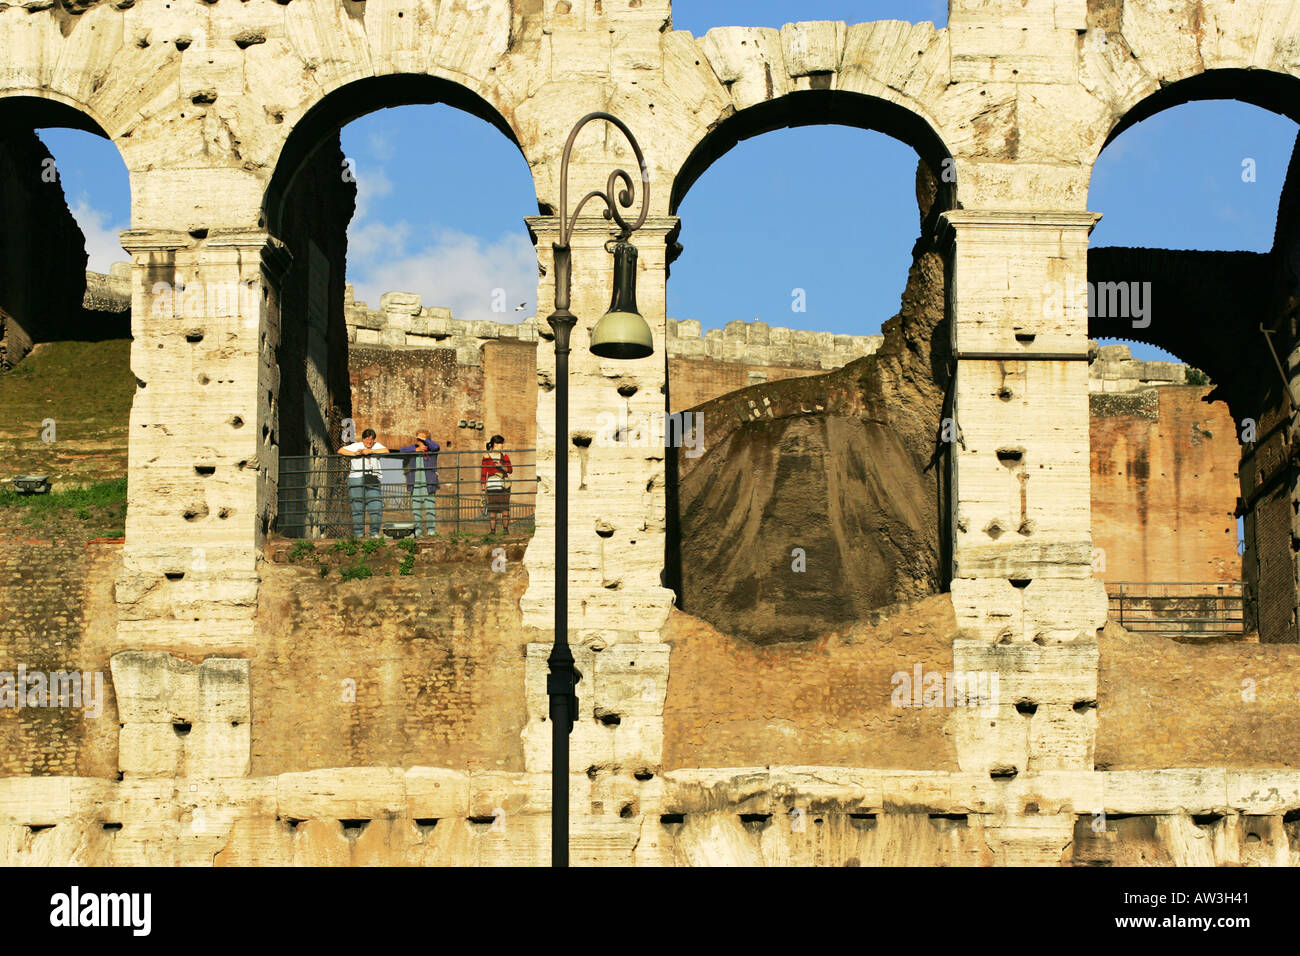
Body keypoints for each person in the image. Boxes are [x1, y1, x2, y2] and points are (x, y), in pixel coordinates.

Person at [338, 428, 388, 538]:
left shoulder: (376, 445)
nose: (369, 442)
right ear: (363, 439)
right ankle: (359, 534)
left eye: (371, 439)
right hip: (356, 478)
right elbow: (341, 450)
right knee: (358, 508)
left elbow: (386, 451)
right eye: (367, 439)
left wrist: (371, 451)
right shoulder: (356, 445)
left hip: (373, 479)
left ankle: (374, 533)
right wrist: (355, 453)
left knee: (376, 507)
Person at [399, 429, 441, 537]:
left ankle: (431, 531)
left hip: (429, 484)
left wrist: (425, 441)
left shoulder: (432, 450)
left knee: (430, 508)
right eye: (418, 438)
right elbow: (402, 450)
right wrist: (417, 449)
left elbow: (436, 447)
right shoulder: (413, 449)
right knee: (416, 509)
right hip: (415, 484)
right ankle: (418, 531)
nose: (419, 440)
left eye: (422, 438)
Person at [480, 434, 513, 535]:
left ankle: (505, 530)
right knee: (492, 508)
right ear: (495, 444)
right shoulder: (486, 457)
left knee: (505, 508)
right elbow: (483, 474)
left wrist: (501, 466)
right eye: (501, 443)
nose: (503, 445)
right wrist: (483, 489)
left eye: (503, 443)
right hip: (492, 485)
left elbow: (510, 470)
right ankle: (492, 531)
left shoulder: (505, 456)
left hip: (503, 484)